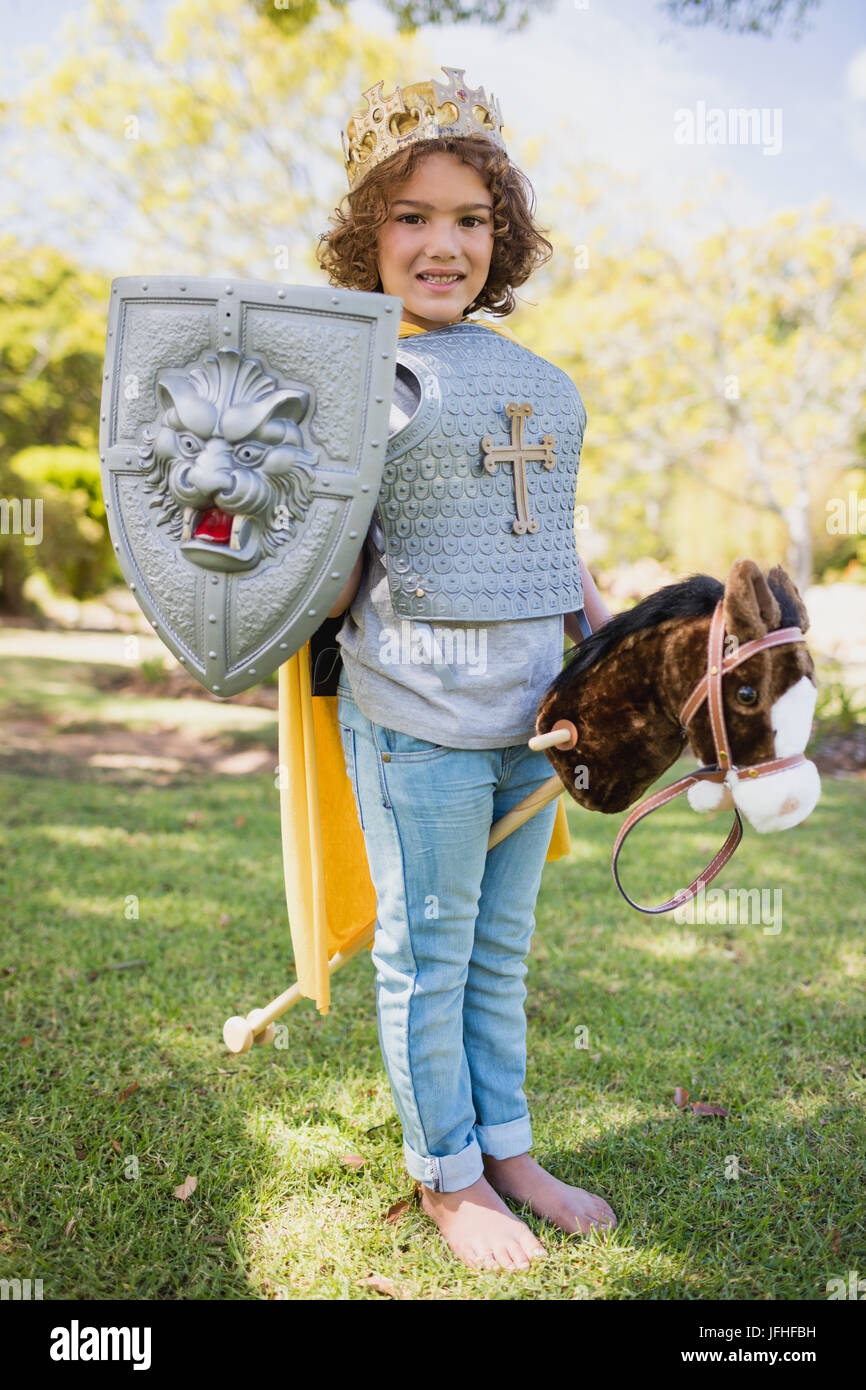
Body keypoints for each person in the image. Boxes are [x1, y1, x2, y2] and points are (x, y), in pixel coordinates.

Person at [314, 67, 617, 1273]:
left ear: (504, 233)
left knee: (499, 952)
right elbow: (318, 562)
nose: (444, 244)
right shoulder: (346, 378)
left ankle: (506, 1145)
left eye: (471, 219)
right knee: (428, 949)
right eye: (412, 216)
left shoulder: (534, 382)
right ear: (364, 233)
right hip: (415, 716)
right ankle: (444, 1175)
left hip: (524, 718)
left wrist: (603, 650)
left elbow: (549, 537)